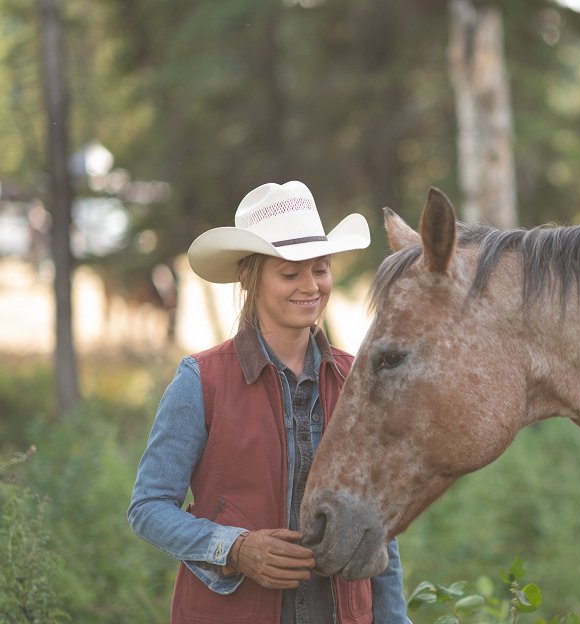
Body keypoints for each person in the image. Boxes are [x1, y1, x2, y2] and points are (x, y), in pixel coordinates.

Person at [128, 181, 410, 624]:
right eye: (289, 273)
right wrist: (235, 548)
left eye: (320, 269)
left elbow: (377, 526)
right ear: (249, 276)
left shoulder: (357, 381)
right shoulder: (201, 381)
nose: (310, 286)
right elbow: (148, 507)